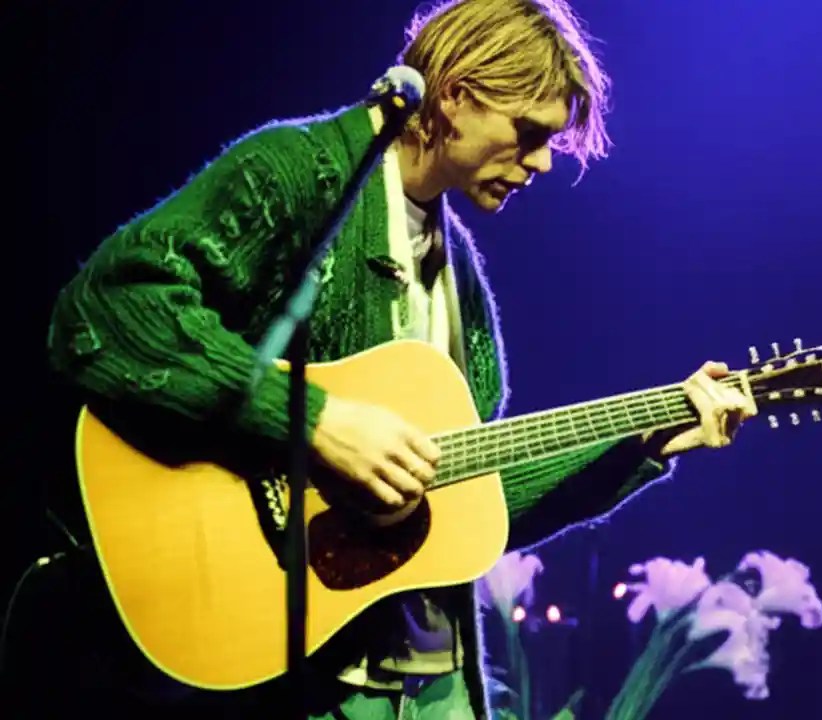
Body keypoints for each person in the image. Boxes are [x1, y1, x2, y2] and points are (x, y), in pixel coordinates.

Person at [30, 0, 755, 718]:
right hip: (313, 686)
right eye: (528, 132)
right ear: (458, 94)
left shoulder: (460, 276)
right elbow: (109, 309)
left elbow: (471, 503)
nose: (540, 162)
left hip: (428, 685)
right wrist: (315, 421)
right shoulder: (299, 175)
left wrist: (647, 440)